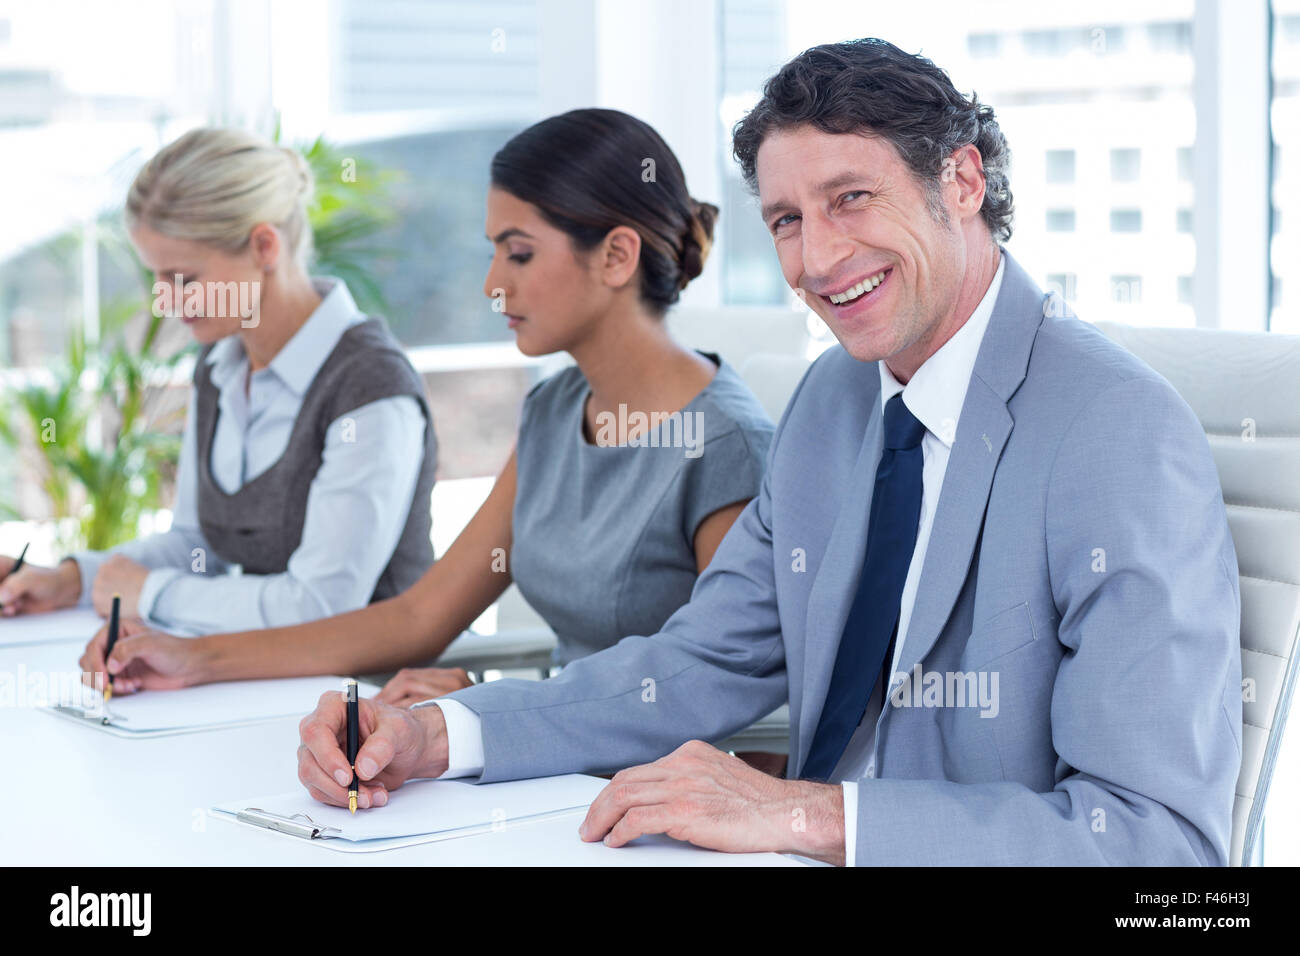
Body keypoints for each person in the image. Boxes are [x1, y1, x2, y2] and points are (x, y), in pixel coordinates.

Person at [296, 39, 1242, 866]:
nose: (821, 260)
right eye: (788, 220)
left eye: (852, 199)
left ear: (961, 181)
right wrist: (435, 735)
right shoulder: (834, 401)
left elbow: (1157, 842)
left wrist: (805, 815)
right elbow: (696, 665)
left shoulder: (1116, 430)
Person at [80, 110, 776, 730]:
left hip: (656, 787)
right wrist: (192, 659)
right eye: (493, 251)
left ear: (617, 256)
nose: (492, 284)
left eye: (520, 252)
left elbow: (707, 690)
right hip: (557, 763)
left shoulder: (725, 449)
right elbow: (419, 617)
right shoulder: (554, 411)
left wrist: (487, 706)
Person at [0, 128, 437, 634]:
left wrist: (150, 593)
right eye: (157, 279)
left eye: (182, 279)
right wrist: (70, 580)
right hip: (254, 679)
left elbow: (321, 605)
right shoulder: (218, 366)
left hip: (368, 695)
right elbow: (196, 544)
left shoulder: (369, 385)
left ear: (264, 246)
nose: (163, 302)